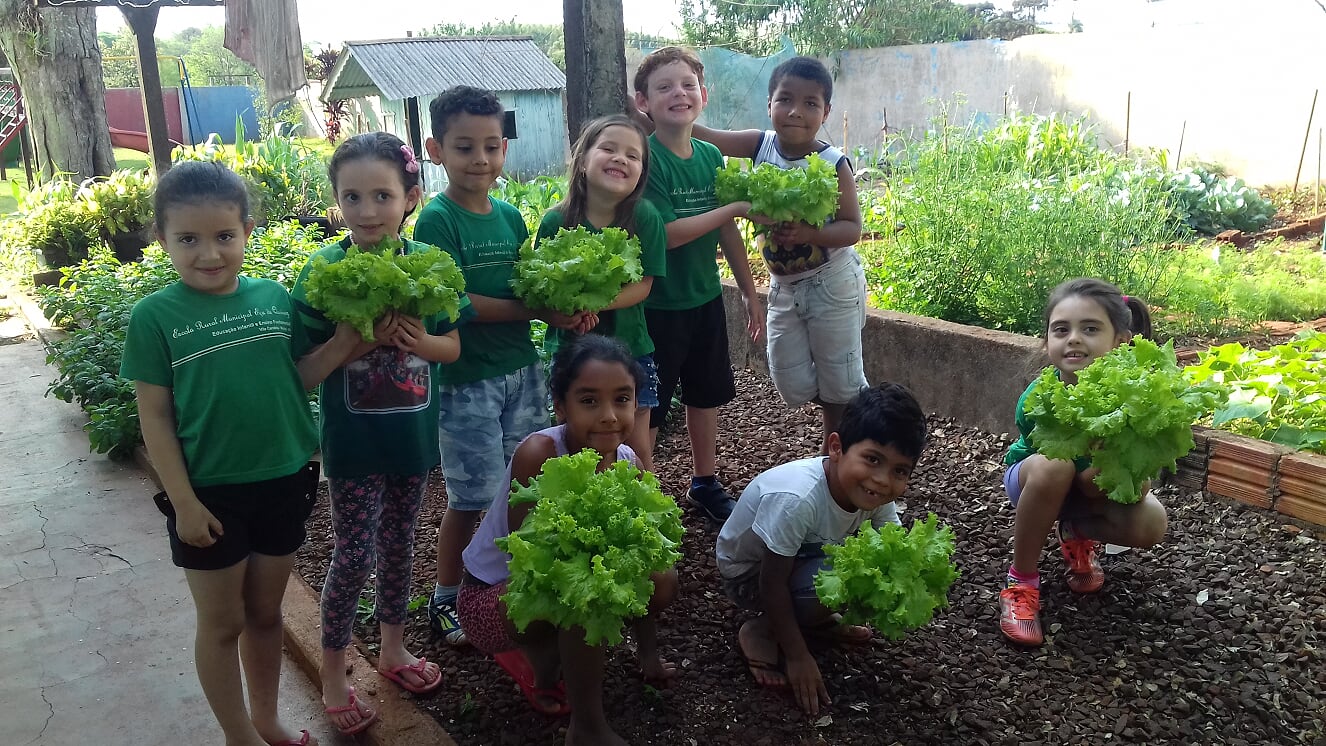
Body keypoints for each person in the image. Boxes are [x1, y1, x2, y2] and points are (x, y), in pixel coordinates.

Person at [121, 160, 354, 746]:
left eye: (224, 236)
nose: (209, 254)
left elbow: (295, 378)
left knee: (266, 614)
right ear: (163, 240)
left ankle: (267, 719)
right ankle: (238, 735)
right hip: (209, 495)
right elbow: (154, 416)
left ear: (248, 230)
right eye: (189, 239)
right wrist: (184, 503)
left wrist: (344, 346)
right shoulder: (155, 318)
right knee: (222, 623)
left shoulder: (274, 298)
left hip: (285, 480)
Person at [291, 132, 466, 735]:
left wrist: (420, 341)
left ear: (411, 196)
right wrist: (351, 340)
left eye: (382, 196)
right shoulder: (323, 269)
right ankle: (335, 670)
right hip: (355, 448)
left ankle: (393, 649)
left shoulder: (430, 266)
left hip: (412, 443)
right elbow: (303, 372)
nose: (367, 211)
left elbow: (452, 346)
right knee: (353, 552)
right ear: (335, 199)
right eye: (352, 197)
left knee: (399, 547)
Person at [414, 85, 594, 646]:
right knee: (470, 497)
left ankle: (508, 582)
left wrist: (562, 310)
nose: (482, 160)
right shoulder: (436, 221)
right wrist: (538, 307)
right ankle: (447, 597)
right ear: (436, 149)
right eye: (465, 147)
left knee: (526, 483)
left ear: (505, 149)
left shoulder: (513, 218)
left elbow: (527, 283)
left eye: (492, 146)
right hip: (467, 381)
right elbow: (458, 305)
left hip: (523, 369)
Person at [457, 334, 679, 746]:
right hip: (491, 600)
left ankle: (550, 659)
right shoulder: (539, 453)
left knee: (660, 572)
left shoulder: (627, 462)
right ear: (561, 406)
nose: (610, 416)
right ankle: (586, 728)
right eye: (589, 401)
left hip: (547, 592)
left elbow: (642, 552)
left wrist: (648, 654)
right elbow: (536, 567)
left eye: (623, 399)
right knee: (582, 592)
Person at [689, 55, 867, 456]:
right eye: (785, 99)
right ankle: (847, 416)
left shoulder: (832, 162)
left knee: (839, 384)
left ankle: (835, 457)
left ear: (826, 112)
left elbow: (852, 228)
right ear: (769, 103)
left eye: (810, 103)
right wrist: (653, 112)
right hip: (784, 287)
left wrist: (809, 232)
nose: (795, 112)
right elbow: (704, 134)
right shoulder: (759, 144)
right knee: (791, 380)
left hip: (832, 283)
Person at [715, 382, 926, 716]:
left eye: (900, 470)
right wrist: (798, 657)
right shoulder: (798, 498)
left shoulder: (874, 497)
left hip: (803, 558)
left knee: (872, 566)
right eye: (872, 459)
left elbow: (893, 552)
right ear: (837, 447)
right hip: (749, 575)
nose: (883, 480)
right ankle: (762, 629)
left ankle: (810, 618)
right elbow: (771, 582)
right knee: (844, 575)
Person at [631, 45, 765, 524]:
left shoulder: (709, 154)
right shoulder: (646, 157)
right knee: (649, 405)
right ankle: (641, 492)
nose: (678, 94)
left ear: (703, 96)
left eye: (687, 85)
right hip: (658, 305)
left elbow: (727, 231)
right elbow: (663, 234)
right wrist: (730, 209)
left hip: (706, 297)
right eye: (664, 87)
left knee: (704, 394)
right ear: (643, 102)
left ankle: (704, 482)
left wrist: (749, 291)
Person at [999, 278, 1169, 647]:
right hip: (1033, 481)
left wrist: (1123, 468)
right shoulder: (1039, 397)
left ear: (1120, 342)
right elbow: (1059, 466)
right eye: (1061, 330)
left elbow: (1129, 488)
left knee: (1151, 520)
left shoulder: (1135, 399)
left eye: (1090, 329)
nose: (1074, 338)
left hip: (1087, 490)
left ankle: (1075, 534)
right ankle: (1021, 582)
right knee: (1055, 466)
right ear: (1047, 342)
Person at [536, 114, 667, 471]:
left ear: (641, 172)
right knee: (574, 444)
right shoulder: (555, 221)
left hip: (631, 351)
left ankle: (642, 516)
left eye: (633, 155)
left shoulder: (645, 216)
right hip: (571, 354)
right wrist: (564, 310)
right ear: (582, 161)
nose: (620, 158)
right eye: (608, 149)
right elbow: (542, 285)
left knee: (636, 448)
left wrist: (596, 301)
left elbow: (644, 285)